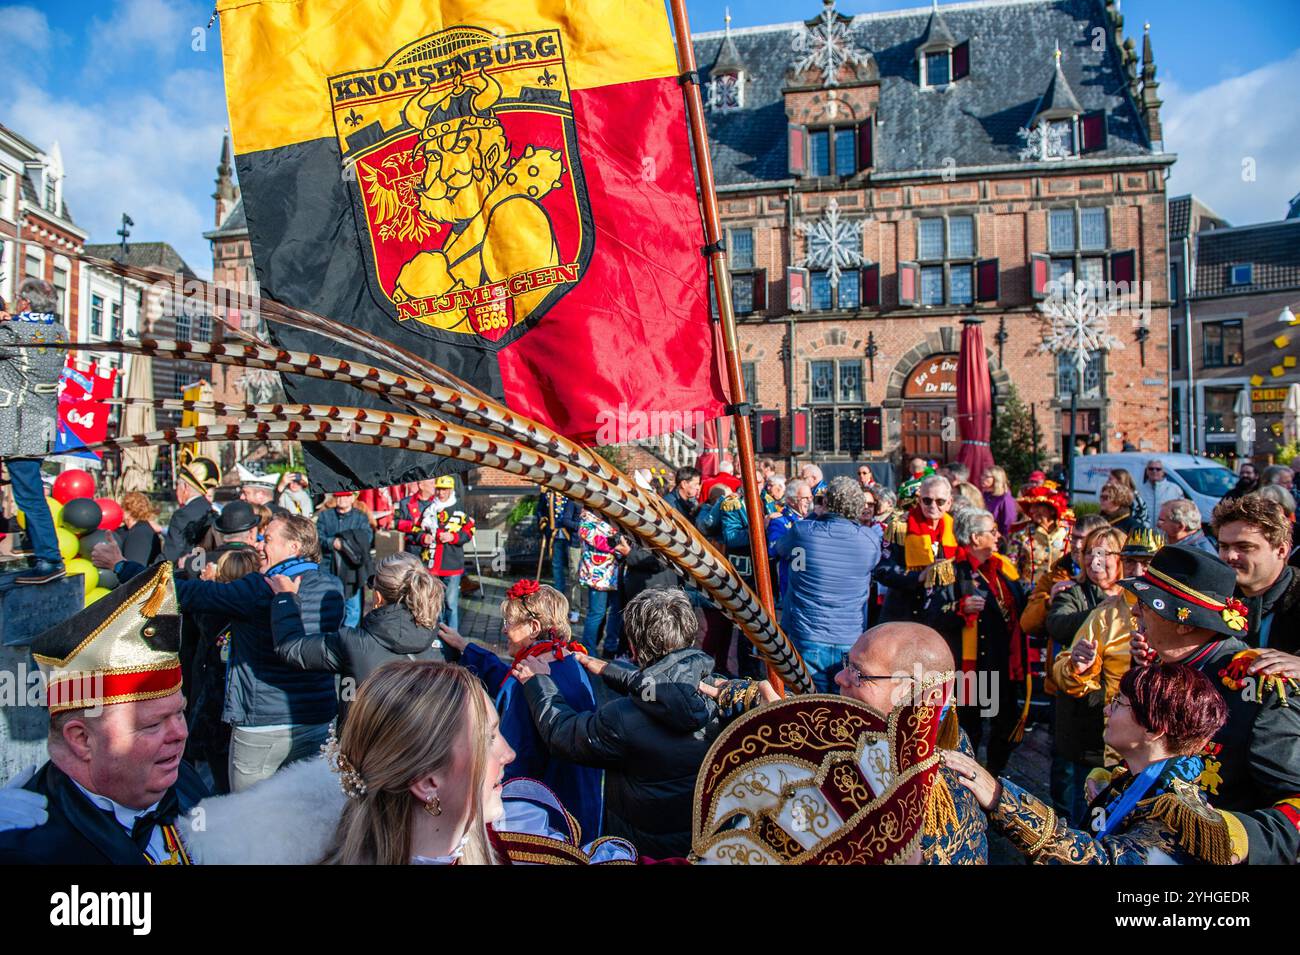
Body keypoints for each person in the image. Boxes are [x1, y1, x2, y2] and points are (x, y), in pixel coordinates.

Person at [94, 513, 345, 793]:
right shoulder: (332, 586)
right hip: (318, 718)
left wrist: (121, 566)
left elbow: (182, 593)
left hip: (263, 725)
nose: (260, 545)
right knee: (309, 809)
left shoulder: (258, 589)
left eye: (269, 540)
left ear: (294, 547)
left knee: (249, 815)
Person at [0, 563, 209, 863]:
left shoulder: (182, 779)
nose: (181, 734)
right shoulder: (28, 849)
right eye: (152, 724)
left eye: (179, 713)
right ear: (82, 739)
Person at [946, 663, 1242, 864]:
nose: (1108, 708)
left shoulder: (1179, 815)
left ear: (1154, 728)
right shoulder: (1133, 782)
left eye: (1119, 703)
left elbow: (1100, 860)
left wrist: (1001, 799)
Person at [512, 588, 731, 858]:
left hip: (639, 850)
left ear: (635, 648)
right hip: (697, 844)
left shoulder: (622, 718)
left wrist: (538, 683)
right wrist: (609, 670)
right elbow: (668, 685)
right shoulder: (719, 692)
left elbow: (562, 734)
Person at [1126, 546, 1300, 863]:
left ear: (1185, 623)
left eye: (1145, 604)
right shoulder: (1160, 667)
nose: (1135, 612)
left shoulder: (1259, 687)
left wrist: (1227, 834)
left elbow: (1295, 802)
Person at [441, 579, 603, 839]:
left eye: (509, 623)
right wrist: (467, 648)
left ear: (534, 627)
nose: (504, 630)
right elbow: (510, 680)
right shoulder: (571, 660)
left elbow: (513, 761)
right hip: (581, 808)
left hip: (542, 819)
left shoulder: (524, 680)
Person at [834, 622, 989, 864]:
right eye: (846, 663)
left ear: (911, 692)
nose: (839, 677)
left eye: (858, 673)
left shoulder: (905, 781)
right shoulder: (942, 733)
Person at [268, 549, 445, 728]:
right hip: (422, 746)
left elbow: (290, 648)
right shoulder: (442, 641)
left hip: (363, 747)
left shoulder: (353, 643)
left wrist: (285, 599)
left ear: (378, 597)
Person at [922, 507, 1027, 775]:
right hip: (975, 667)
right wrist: (960, 609)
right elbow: (931, 617)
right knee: (972, 727)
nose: (998, 536)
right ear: (974, 538)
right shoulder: (951, 571)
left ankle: (994, 774)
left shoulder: (1003, 568)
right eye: (992, 532)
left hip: (1005, 662)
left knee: (1006, 723)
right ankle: (964, 777)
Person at [1043, 526, 1129, 824]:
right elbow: (1056, 624)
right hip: (1081, 716)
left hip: (1124, 728)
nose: (1096, 560)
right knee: (1076, 792)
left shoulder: (1141, 606)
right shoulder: (1074, 592)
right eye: (1091, 552)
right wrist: (1101, 614)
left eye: (1105, 553)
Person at [770, 477, 882, 691]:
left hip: (808, 635)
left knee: (805, 708)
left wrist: (816, 514)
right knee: (842, 709)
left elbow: (780, 549)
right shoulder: (869, 540)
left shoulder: (802, 531)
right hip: (849, 638)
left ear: (826, 502)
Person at [0, 279, 69, 584]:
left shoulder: (13, 333)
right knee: (30, 491)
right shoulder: (59, 332)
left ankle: (49, 559)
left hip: (19, 426)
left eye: (18, 300)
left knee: (28, 496)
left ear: (26, 303)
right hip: (42, 425)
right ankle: (42, 552)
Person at [1212, 494, 1299, 653]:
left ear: (1281, 550)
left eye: (1244, 547)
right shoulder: (1212, 594)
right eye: (1224, 546)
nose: (1230, 556)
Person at [877, 474, 957, 622]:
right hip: (904, 613)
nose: (933, 506)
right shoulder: (900, 528)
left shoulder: (956, 531)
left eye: (940, 501)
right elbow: (883, 570)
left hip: (941, 616)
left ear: (949, 503)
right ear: (919, 501)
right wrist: (918, 576)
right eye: (927, 501)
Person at [1020, 513, 1107, 643]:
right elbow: (1026, 624)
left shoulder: (1116, 576)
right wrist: (1048, 603)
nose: (1077, 545)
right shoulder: (1055, 576)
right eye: (1074, 538)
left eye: (1083, 539)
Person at [418, 475, 475, 633]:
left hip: (452, 563)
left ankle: (453, 637)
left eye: (444, 489)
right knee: (435, 603)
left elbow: (469, 531)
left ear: (451, 490)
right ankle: (436, 635)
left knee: (451, 604)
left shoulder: (459, 509)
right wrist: (424, 537)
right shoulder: (429, 509)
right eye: (439, 489)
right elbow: (416, 530)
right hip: (431, 563)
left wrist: (453, 537)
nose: (441, 493)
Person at [317, 490, 374, 628]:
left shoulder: (360, 518)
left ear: (352, 498)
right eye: (339, 496)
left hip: (351, 570)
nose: (342, 499)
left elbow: (367, 538)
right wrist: (332, 542)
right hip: (329, 567)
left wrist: (348, 543)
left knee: (352, 608)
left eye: (345, 496)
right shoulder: (325, 516)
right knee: (329, 605)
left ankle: (347, 637)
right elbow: (318, 537)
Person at [1006, 485, 1071, 591]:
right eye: (1031, 506)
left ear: (1052, 510)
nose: (1032, 510)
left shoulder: (1069, 534)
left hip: (1063, 592)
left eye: (1038, 505)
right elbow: (1010, 566)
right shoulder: (1021, 534)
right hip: (1029, 594)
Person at [163, 453, 221, 571]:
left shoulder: (182, 514)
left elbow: (171, 555)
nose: (176, 491)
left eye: (177, 486)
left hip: (185, 575)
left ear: (185, 488)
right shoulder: (211, 510)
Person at [575, 508, 620, 656]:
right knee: (597, 613)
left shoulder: (610, 514)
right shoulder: (588, 517)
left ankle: (610, 647)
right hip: (597, 574)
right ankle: (588, 649)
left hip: (613, 573)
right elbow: (594, 538)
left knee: (615, 612)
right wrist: (619, 546)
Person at [766, 478, 812, 599]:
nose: (809, 502)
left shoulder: (814, 519)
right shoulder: (779, 521)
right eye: (805, 498)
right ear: (791, 501)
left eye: (811, 497)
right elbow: (773, 549)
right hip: (792, 583)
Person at [537, 487, 581, 603]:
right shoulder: (547, 494)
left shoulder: (570, 493)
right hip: (554, 535)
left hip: (570, 536)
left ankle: (574, 599)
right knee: (557, 566)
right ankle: (559, 597)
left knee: (573, 568)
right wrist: (544, 525)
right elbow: (540, 511)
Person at [394, 477, 440, 557]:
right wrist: (413, 523)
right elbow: (395, 522)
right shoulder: (404, 503)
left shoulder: (439, 503)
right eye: (431, 483)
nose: (435, 486)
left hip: (435, 549)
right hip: (413, 550)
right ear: (421, 486)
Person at [115, 491, 164, 566]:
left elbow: (134, 565)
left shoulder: (140, 532)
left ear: (129, 511)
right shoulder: (125, 530)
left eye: (122, 507)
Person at [1138, 458, 1185, 525]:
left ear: (1163, 472)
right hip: (1145, 533)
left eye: (1158, 469)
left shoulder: (1174, 489)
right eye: (1151, 469)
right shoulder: (1139, 490)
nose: (1154, 471)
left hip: (1166, 533)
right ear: (1147, 471)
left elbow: (1181, 513)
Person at [980, 465, 1020, 540]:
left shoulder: (1005, 499)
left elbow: (1009, 523)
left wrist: (1002, 540)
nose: (982, 478)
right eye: (982, 475)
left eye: (986, 476)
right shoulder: (985, 496)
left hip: (999, 540)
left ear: (996, 479)